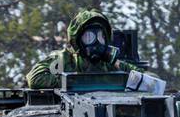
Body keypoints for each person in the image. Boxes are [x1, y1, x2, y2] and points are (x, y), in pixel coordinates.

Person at [26, 9, 165, 93]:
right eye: (89, 37)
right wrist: (70, 81)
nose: (96, 43)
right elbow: (34, 78)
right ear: (78, 40)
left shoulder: (108, 63)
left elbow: (151, 80)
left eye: (100, 37)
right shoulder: (63, 59)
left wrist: (117, 63)